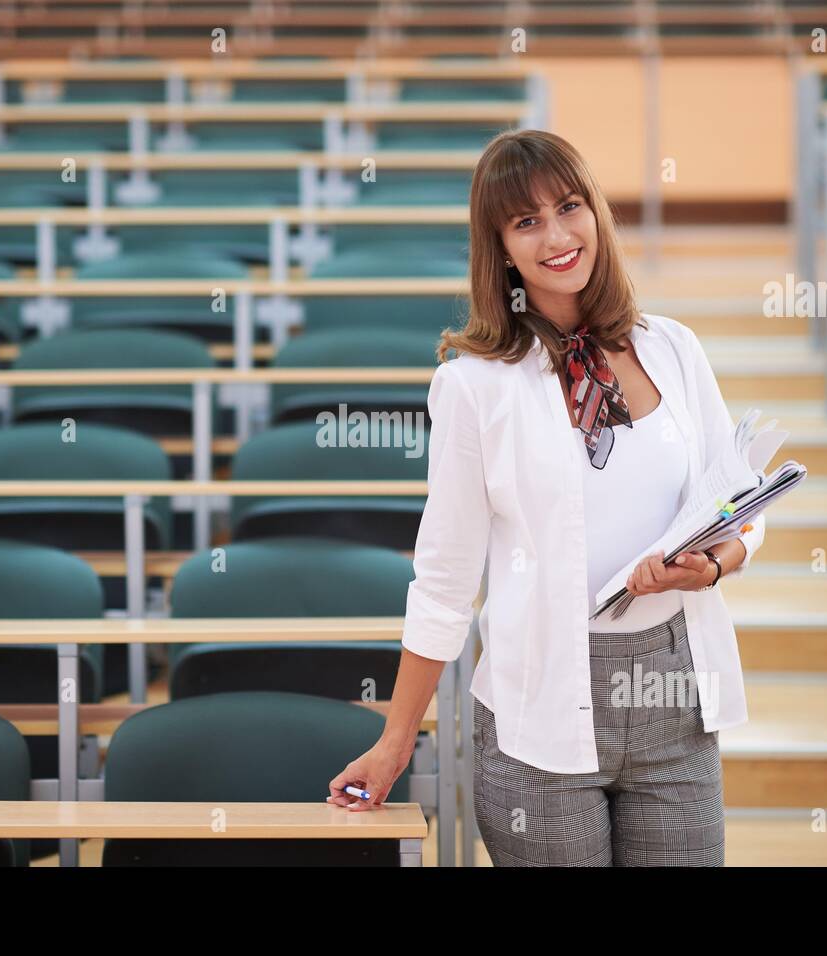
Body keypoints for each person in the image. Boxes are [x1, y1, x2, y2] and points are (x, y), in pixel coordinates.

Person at [327, 129, 766, 866]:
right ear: (498, 246)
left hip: (675, 698)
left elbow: (741, 512)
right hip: (539, 710)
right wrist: (395, 739)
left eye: (569, 207)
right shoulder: (473, 386)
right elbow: (443, 583)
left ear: (597, 211)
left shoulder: (674, 349)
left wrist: (716, 562)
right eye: (527, 221)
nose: (558, 236)